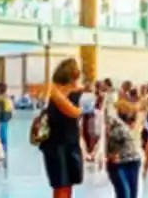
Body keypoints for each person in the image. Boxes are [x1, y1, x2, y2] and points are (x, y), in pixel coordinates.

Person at [40, 58, 85, 198]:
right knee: (62, 186)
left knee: (67, 185)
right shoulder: (55, 93)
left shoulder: (73, 93)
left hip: (69, 143)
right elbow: (73, 112)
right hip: (57, 146)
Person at [105, 97, 144, 198]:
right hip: (121, 162)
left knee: (129, 193)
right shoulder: (119, 126)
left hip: (130, 160)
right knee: (125, 193)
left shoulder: (120, 126)